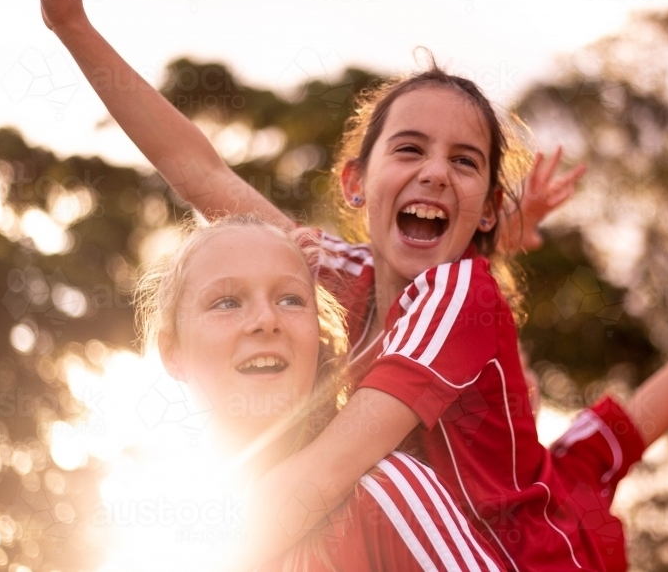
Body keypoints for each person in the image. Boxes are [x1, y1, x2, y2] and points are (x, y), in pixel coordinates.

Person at [15, 0, 668, 568]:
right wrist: (73, 24)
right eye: (409, 149)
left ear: (488, 208)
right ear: (355, 184)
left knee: (363, 480)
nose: (435, 172)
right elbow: (202, 173)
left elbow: (319, 480)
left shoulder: (459, 296)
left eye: (464, 162)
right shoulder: (338, 275)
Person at [134, 214, 506, 571]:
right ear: (172, 351)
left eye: (290, 299)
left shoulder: (388, 493)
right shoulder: (170, 535)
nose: (266, 320)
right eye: (227, 302)